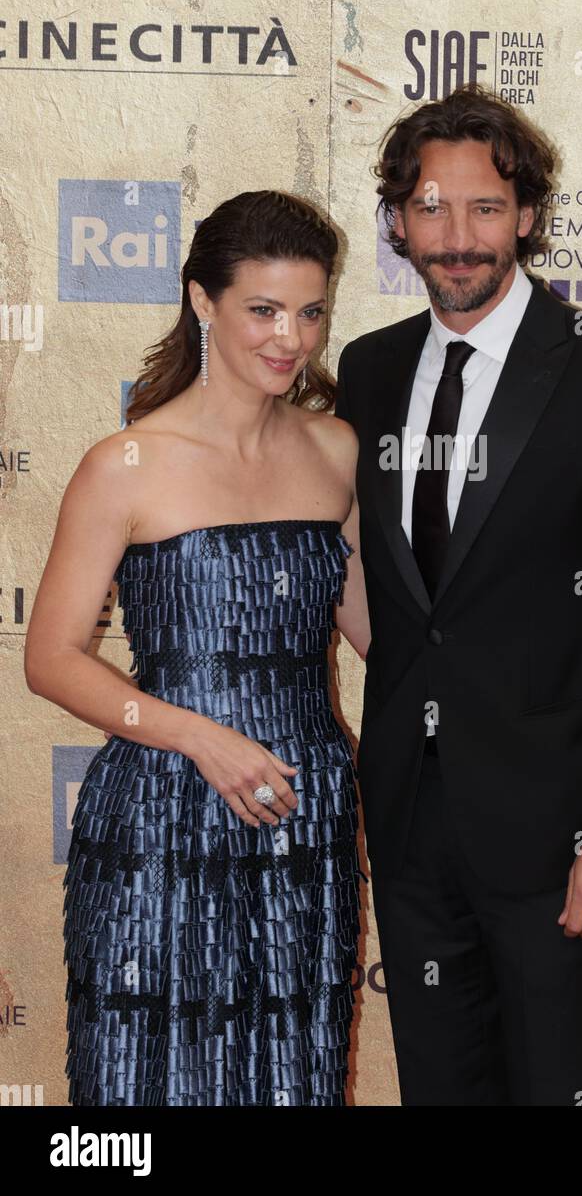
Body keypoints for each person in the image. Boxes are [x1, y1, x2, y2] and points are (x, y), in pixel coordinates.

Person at [334, 83, 582, 1106]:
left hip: (563, 839)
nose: (457, 238)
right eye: (431, 208)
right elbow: (400, 600)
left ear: (528, 216)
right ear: (398, 221)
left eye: (484, 208)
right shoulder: (367, 372)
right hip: (411, 826)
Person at [25, 190, 371, 1106]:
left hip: (302, 805)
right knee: (149, 1073)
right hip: (163, 812)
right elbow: (52, 657)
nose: (288, 339)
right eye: (262, 309)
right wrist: (198, 737)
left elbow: (383, 637)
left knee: (291, 1066)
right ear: (200, 300)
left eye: (308, 312)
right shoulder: (125, 463)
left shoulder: (336, 451)